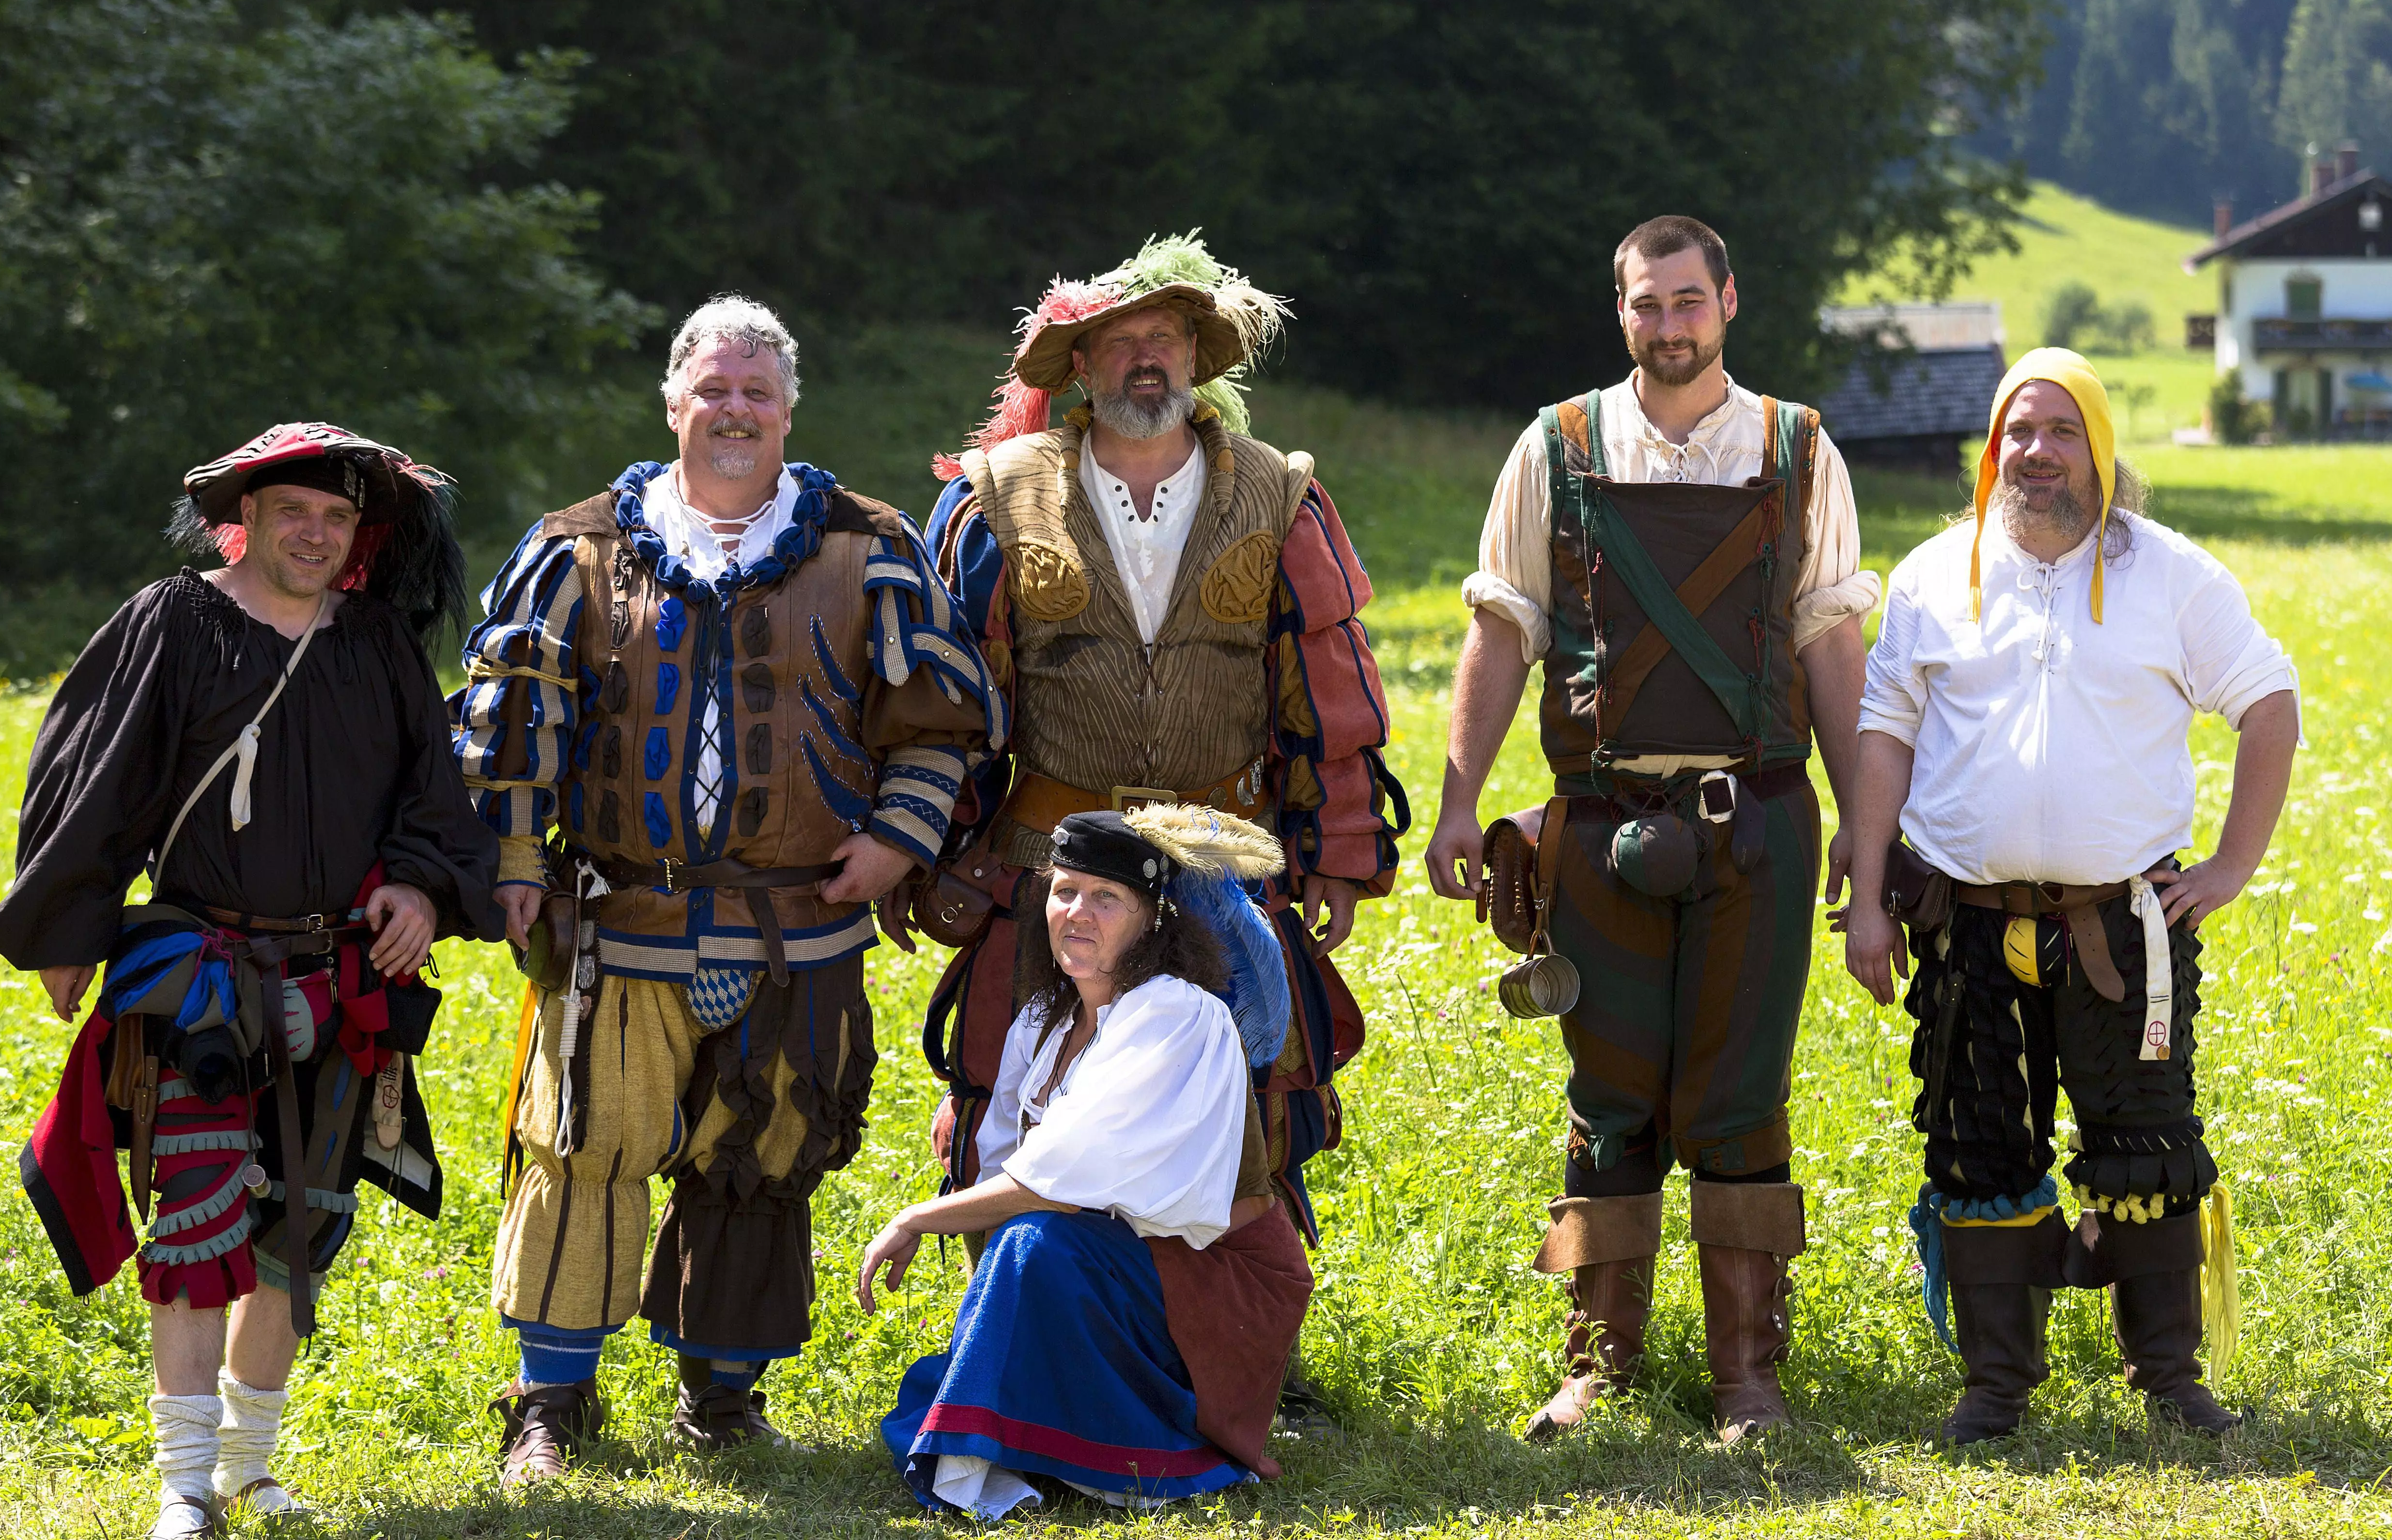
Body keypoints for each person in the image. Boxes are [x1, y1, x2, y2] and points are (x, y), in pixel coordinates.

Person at [452, 295, 1005, 1483]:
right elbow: (515, 723)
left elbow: (939, 724)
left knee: (761, 1149)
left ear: (790, 409)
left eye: (757, 392)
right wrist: (510, 861)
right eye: (715, 390)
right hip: (616, 921)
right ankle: (552, 1405)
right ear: (674, 404)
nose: (736, 411)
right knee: (581, 1146)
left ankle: (723, 1398)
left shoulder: (869, 547)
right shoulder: (582, 550)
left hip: (796, 927)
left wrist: (896, 845)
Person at [908, 239, 1402, 1419]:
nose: (1145, 361)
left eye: (1167, 342)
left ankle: (1230, 1353)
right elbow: (942, 701)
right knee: (1018, 1090)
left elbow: (1322, 688)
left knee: (1245, 1102)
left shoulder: (1277, 491)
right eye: (1121, 344)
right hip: (1045, 860)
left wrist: (1335, 849)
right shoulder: (995, 492)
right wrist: (941, 854)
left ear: (1200, 357)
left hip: (1215, 863)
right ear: (1079, 364)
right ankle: (1025, 1339)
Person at [0, 424, 501, 1540]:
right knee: (193, 1222)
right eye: (294, 512)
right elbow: (92, 773)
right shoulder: (172, 621)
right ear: (248, 518)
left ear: (359, 537)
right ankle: (182, 1485)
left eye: (338, 518)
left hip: (334, 980)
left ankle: (255, 1468)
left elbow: (430, 796)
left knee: (295, 1229)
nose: (315, 534)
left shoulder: (376, 645)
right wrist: (71, 924)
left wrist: (418, 888)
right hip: (198, 984)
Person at [1424, 215, 1878, 1444]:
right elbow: (1504, 625)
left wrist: (1868, 839)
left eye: (1689, 301)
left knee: (1739, 1100)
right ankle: (1598, 1366)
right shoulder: (1557, 446)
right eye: (1646, 304)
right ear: (1618, 309)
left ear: (1729, 300)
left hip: (1760, 821)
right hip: (1601, 822)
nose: (1669, 325)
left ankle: (1748, 1379)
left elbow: (1834, 643)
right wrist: (1462, 797)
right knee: (1609, 1097)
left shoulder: (1798, 449)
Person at [1838, 348, 2297, 1442]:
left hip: (2127, 926)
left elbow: (2269, 703)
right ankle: (1997, 1385)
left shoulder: (2172, 575)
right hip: (1969, 923)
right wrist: (1865, 895)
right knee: (1978, 1141)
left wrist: (2230, 868)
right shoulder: (1934, 574)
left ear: (2098, 448)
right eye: (2017, 433)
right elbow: (1883, 736)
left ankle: (2171, 1377)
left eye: (2059, 432)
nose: (2034, 453)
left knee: (2147, 1141)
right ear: (1991, 450)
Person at [863, 805, 1314, 1518]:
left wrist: (918, 1217)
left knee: (1036, 1241)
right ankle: (1021, 1429)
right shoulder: (1044, 1022)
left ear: (1153, 919)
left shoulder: (1176, 1014)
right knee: (1030, 1247)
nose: (1079, 913)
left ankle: (1107, 1441)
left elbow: (1058, 1184)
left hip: (1216, 1280)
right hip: (1107, 1265)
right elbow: (1003, 1173)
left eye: (1107, 899)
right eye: (1064, 891)